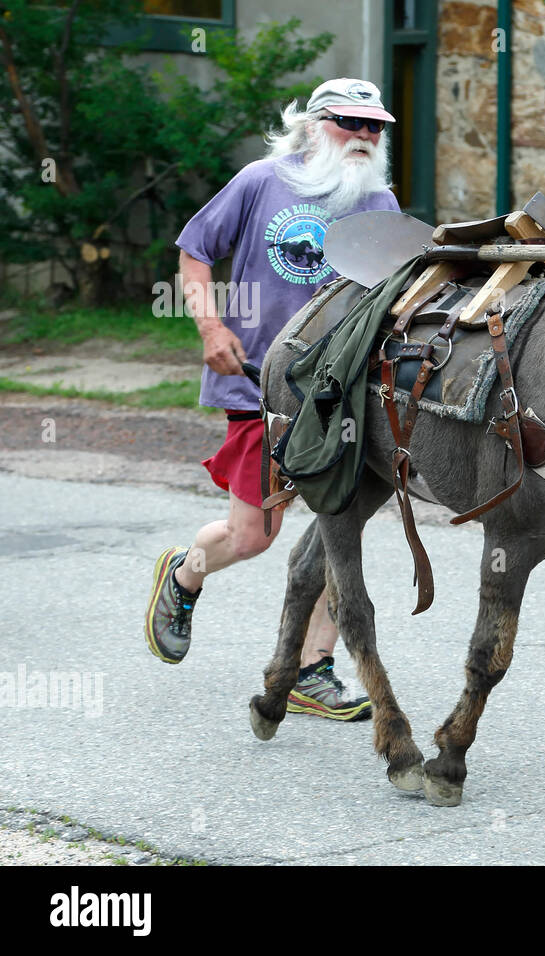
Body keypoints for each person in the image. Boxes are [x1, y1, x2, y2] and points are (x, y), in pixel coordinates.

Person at [145, 78, 402, 720]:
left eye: (376, 127)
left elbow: (397, 293)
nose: (366, 136)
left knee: (337, 528)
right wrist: (210, 326)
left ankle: (310, 671)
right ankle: (185, 572)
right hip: (257, 377)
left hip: (339, 390)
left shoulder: (381, 202)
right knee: (254, 534)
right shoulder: (263, 180)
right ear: (316, 124)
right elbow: (194, 250)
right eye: (351, 123)